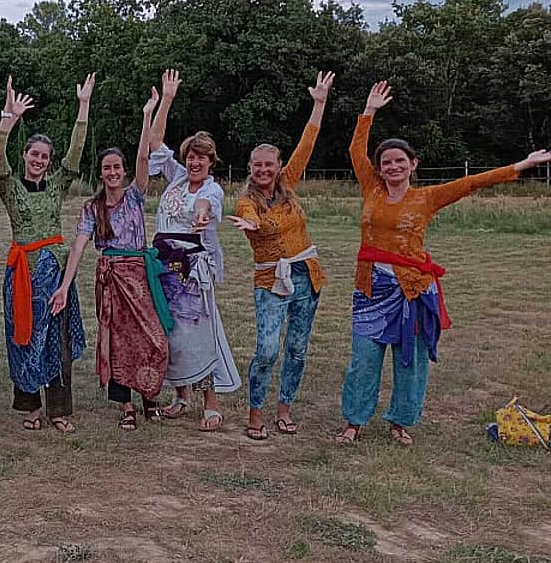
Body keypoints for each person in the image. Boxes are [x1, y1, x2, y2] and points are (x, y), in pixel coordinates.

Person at [336, 81, 550, 446]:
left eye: (399, 161)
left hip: (413, 290)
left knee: (411, 360)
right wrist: (368, 112)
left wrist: (522, 165)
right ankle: (354, 422)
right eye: (386, 162)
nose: (392, 167)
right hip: (371, 289)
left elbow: (471, 183)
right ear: (379, 168)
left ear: (413, 165)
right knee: (364, 359)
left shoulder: (427, 198)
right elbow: (357, 149)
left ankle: (400, 422)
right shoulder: (371, 189)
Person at [50, 84, 174, 430]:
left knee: (152, 336)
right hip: (111, 281)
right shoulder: (92, 208)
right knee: (118, 341)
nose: (113, 172)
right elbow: (77, 247)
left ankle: (150, 396)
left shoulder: (135, 196)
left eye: (117, 166)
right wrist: (64, 286)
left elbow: (144, 159)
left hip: (141, 276)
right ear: (101, 173)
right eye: (107, 168)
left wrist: (148, 115)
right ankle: (127, 407)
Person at [227, 72, 335, 440]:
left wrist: (319, 104)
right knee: (267, 349)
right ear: (250, 168)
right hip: (271, 281)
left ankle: (284, 408)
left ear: (277, 166)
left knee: (298, 349)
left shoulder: (289, 185)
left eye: (269, 165)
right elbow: (249, 216)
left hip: (307, 275)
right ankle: (255, 411)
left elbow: (308, 143)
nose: (263, 170)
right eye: (257, 165)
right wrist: (251, 225)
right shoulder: (245, 200)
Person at [0, 74, 92, 434]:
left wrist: (83, 107)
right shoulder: (9, 186)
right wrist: (9, 117)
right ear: (25, 155)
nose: (39, 159)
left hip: (55, 271)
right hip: (22, 272)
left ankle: (59, 411)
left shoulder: (56, 186)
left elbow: (75, 153)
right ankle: (30, 408)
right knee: (23, 337)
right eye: (34, 154)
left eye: (45, 156)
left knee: (57, 339)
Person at [146, 69, 241, 431]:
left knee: (199, 333)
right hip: (163, 268)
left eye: (202, 158)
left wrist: (201, 218)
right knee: (171, 333)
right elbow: (156, 142)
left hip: (191, 272)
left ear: (211, 161)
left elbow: (205, 206)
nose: (195, 162)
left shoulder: (212, 189)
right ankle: (180, 396)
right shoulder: (176, 179)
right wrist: (166, 101)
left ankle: (210, 402)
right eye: (191, 156)